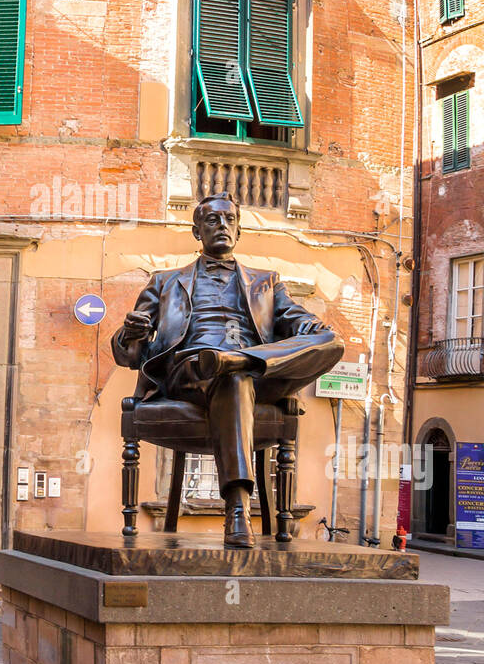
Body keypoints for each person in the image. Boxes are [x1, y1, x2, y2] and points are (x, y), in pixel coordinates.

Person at [112, 194, 343, 548]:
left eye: (229, 220)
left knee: (331, 342)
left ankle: (239, 360)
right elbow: (129, 355)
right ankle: (237, 507)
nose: (222, 226)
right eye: (212, 220)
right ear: (196, 231)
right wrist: (131, 333)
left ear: (238, 230)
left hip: (257, 374)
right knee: (230, 376)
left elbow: (300, 323)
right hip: (188, 371)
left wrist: (311, 329)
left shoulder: (267, 283)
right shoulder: (164, 282)